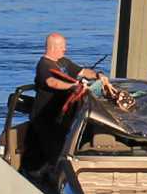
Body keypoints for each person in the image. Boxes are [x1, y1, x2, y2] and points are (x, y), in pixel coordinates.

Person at [26, 32, 106, 173]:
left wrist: (98, 75)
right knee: (53, 151)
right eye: (63, 46)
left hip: (62, 115)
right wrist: (71, 86)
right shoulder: (43, 65)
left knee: (64, 146)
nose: (65, 49)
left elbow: (82, 71)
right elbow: (52, 82)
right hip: (45, 117)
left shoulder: (63, 62)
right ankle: (46, 176)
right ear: (53, 47)